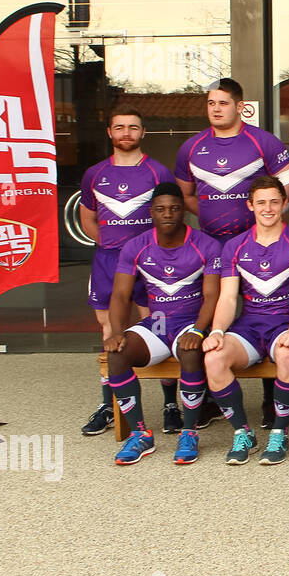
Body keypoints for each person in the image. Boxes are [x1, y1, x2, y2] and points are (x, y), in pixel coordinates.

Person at [175, 77, 289, 429]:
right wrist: (213, 219)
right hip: (214, 245)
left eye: (223, 103)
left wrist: (265, 222)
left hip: (260, 244)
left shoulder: (264, 142)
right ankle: (215, 399)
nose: (216, 108)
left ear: (240, 106)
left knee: (268, 316)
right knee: (221, 316)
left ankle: (269, 401)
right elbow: (187, 195)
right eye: (211, 103)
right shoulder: (191, 147)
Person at [104, 184, 223, 466]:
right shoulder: (136, 246)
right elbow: (121, 294)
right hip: (156, 325)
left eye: (174, 208)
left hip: (192, 323)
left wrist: (198, 329)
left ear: (184, 211)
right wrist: (116, 332)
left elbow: (212, 295)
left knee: (192, 352)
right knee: (117, 354)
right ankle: (140, 434)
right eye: (160, 209)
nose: (167, 214)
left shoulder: (206, 244)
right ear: (151, 213)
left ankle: (189, 432)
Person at [202, 177, 289, 465]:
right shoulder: (234, 246)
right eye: (261, 202)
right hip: (249, 325)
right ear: (250, 205)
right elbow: (229, 298)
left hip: (283, 323)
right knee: (214, 358)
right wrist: (217, 331)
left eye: (274, 202)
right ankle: (243, 432)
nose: (268, 208)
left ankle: (279, 432)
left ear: (284, 204)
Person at [79, 106, 177, 437]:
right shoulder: (94, 173)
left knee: (158, 327)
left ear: (143, 132)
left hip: (151, 265)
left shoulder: (158, 172)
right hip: (108, 263)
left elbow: (170, 219)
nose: (126, 133)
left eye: (132, 127)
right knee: (109, 331)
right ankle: (109, 405)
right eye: (119, 127)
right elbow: (88, 218)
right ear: (109, 132)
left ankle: (170, 404)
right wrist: (113, 250)